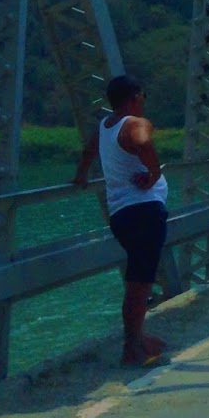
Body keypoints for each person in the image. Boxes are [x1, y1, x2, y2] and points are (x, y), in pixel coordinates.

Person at [73, 74, 169, 366]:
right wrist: (153, 173)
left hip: (121, 214)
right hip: (144, 212)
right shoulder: (135, 123)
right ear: (135, 98)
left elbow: (89, 150)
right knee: (139, 283)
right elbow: (142, 141)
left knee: (138, 279)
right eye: (142, 97)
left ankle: (139, 338)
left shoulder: (104, 126)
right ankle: (131, 348)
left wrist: (81, 176)